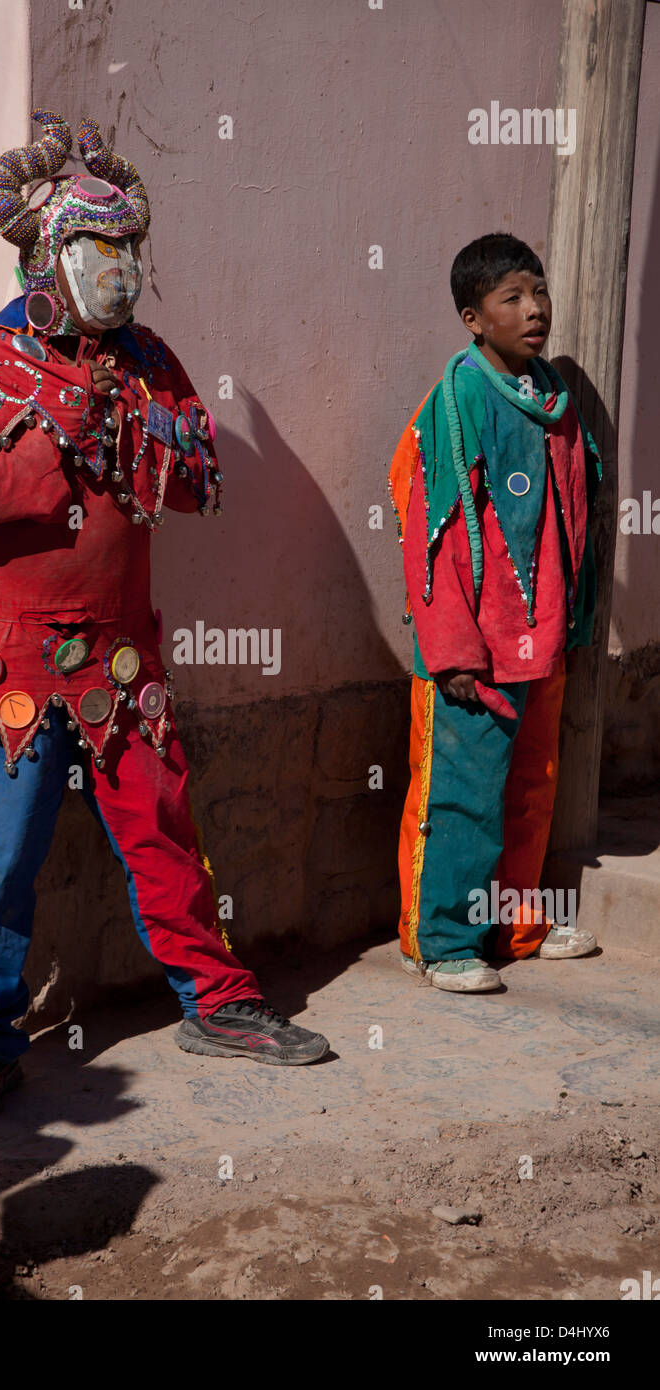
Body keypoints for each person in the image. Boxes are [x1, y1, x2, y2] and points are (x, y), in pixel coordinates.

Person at [0, 109, 328, 1120]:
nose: (120, 268)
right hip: (10, 662)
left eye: (128, 247)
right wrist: (49, 442)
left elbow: (196, 478)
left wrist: (129, 421)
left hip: (120, 661)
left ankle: (217, 1000)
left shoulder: (148, 361)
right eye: (99, 247)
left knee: (161, 833)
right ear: (50, 253)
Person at [388, 232, 601, 993]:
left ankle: (513, 925)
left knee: (530, 786)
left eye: (537, 292)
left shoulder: (553, 399)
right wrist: (449, 649)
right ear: (474, 319)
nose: (534, 309)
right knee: (461, 794)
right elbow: (429, 531)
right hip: (472, 647)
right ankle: (442, 939)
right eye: (512, 297)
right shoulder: (457, 402)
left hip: (542, 638)